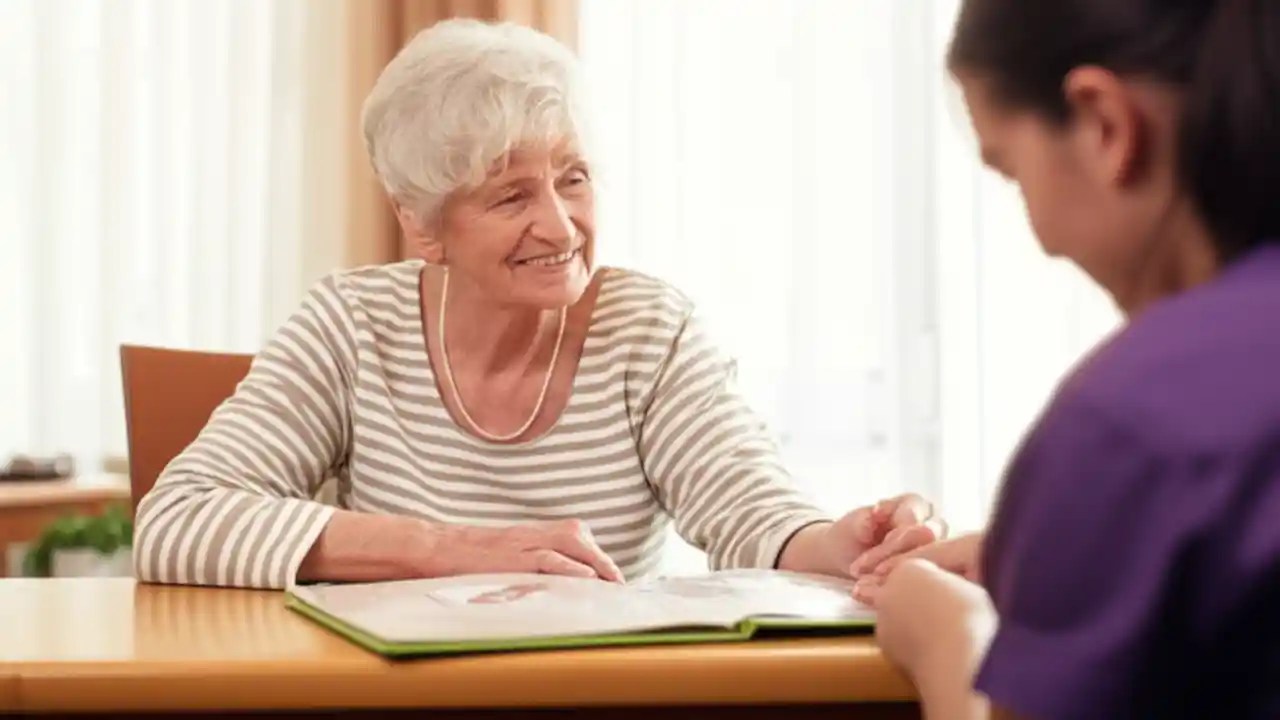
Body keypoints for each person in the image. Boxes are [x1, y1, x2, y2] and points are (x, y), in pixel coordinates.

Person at [131, 18, 945, 590]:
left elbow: (753, 516)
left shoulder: (650, 331)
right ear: (423, 223)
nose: (559, 227)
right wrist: (445, 550)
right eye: (511, 194)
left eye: (574, 178)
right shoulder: (351, 327)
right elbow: (177, 519)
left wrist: (845, 545)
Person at [848, 0, 1280, 718]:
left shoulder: (1139, 420)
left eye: (1012, 171)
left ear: (1103, 125)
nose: (1041, 235)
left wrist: (950, 641)